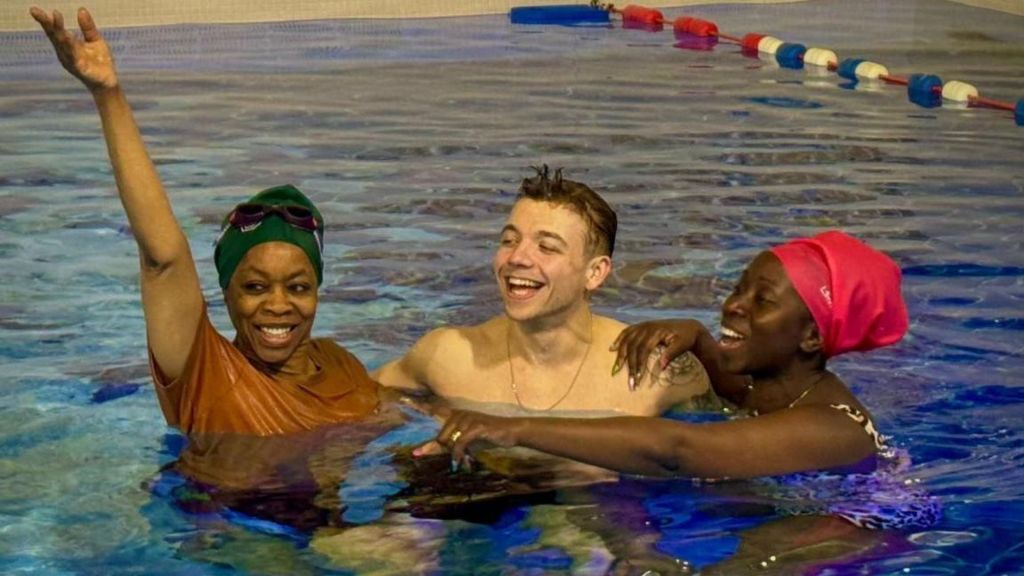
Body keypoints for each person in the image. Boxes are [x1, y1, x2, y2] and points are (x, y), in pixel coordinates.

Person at [31, 7, 379, 435]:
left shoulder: (340, 364)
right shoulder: (206, 374)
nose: (278, 305)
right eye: (254, 286)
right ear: (226, 292)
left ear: (317, 291)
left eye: (298, 286)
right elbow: (163, 258)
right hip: (226, 503)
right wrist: (109, 94)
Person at [434, 231, 910, 478]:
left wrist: (516, 428)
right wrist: (701, 341)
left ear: (810, 338)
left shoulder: (829, 425)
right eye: (738, 288)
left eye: (761, 300)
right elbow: (738, 392)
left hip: (847, 537)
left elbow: (677, 451)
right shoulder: (774, 389)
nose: (733, 305)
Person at [373, 166, 710, 416]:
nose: (517, 258)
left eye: (547, 247)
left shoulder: (655, 372)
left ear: (595, 273)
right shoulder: (448, 357)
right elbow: (353, 401)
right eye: (509, 240)